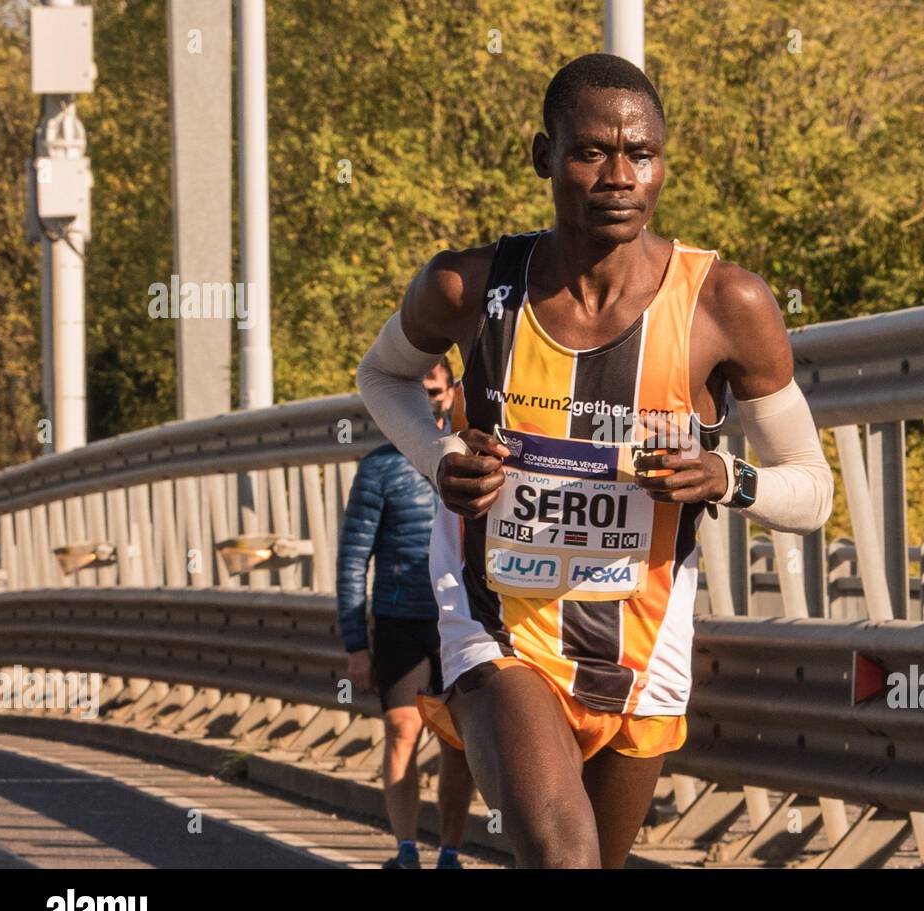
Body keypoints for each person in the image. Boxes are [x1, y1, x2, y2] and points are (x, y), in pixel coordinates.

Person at [357, 53, 832, 868]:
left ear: (662, 163)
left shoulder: (726, 305)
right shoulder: (469, 289)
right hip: (500, 628)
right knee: (562, 855)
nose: (619, 176)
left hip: (643, 649)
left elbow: (814, 490)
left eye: (640, 154)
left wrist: (727, 477)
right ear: (545, 157)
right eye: (591, 153)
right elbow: (382, 375)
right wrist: (439, 457)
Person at [337, 357, 475, 869]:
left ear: (452, 392)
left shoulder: (474, 456)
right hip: (398, 621)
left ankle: (450, 852)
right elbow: (353, 558)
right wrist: (355, 643)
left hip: (461, 622)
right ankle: (405, 849)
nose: (429, 402)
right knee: (402, 731)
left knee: (460, 745)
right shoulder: (378, 467)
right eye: (418, 393)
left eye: (436, 392)